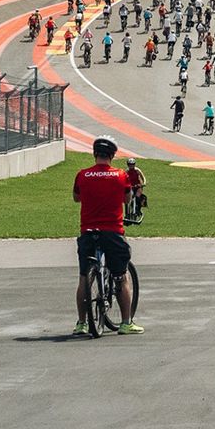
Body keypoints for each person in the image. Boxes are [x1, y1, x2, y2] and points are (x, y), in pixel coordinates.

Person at [73, 137, 145, 335]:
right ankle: (126, 322)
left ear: (94, 153)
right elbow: (127, 198)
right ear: (112, 155)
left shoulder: (82, 175)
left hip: (88, 231)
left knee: (83, 277)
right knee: (121, 276)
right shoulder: (120, 175)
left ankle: (82, 323)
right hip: (112, 231)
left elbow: (76, 197)